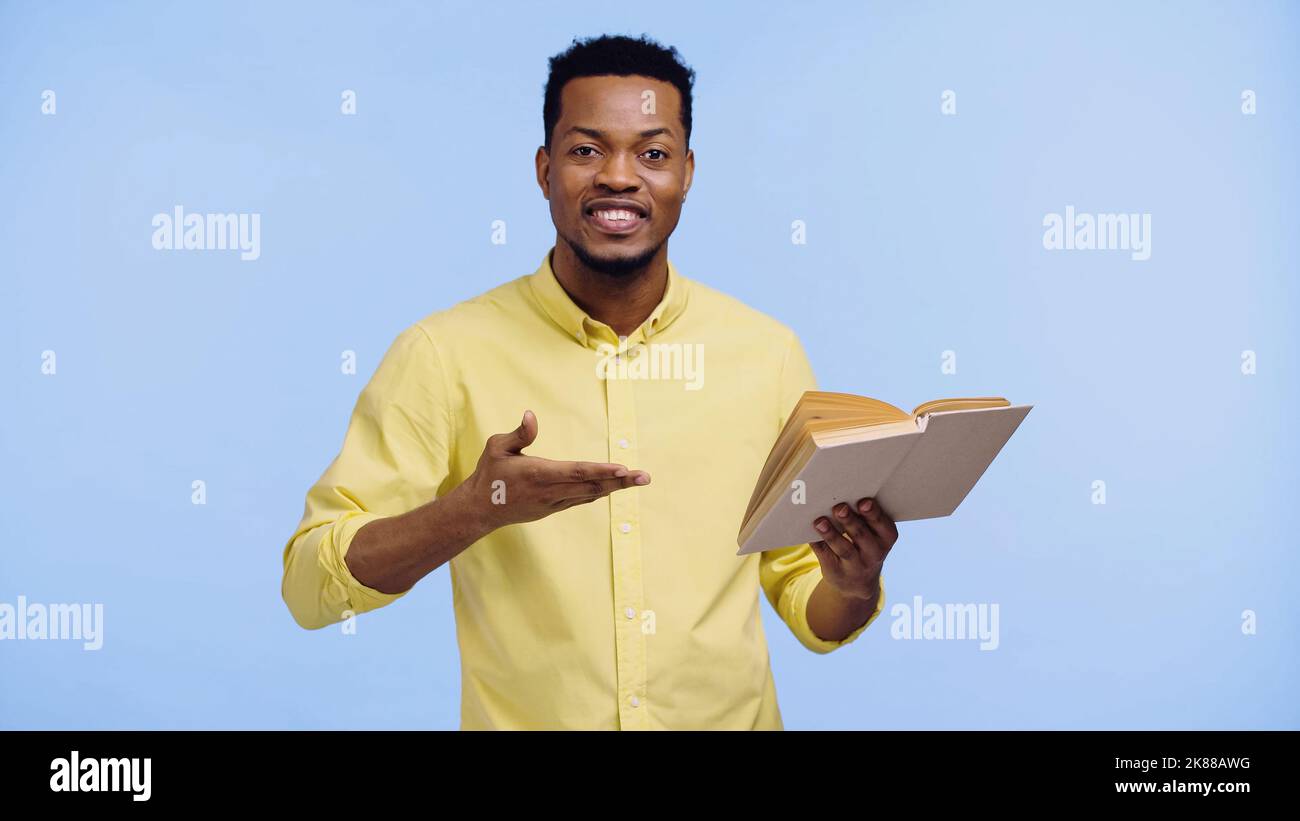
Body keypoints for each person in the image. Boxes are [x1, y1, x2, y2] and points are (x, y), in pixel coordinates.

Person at [282, 33, 898, 730]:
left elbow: (803, 593)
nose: (618, 176)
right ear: (544, 170)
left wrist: (853, 583)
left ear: (688, 173)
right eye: (586, 150)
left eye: (653, 152)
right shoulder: (442, 354)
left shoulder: (767, 354)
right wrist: (473, 509)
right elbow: (310, 586)